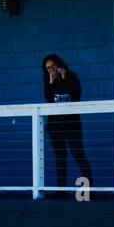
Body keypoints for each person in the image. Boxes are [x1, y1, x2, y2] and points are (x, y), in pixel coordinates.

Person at [42, 54, 93, 189]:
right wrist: (51, 82)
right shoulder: (49, 82)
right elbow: (48, 98)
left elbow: (76, 95)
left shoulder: (71, 77)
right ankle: (61, 190)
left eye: (53, 66)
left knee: (78, 155)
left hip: (72, 124)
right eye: (48, 68)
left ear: (59, 64)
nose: (51, 70)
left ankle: (89, 190)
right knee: (60, 159)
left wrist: (64, 77)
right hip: (55, 126)